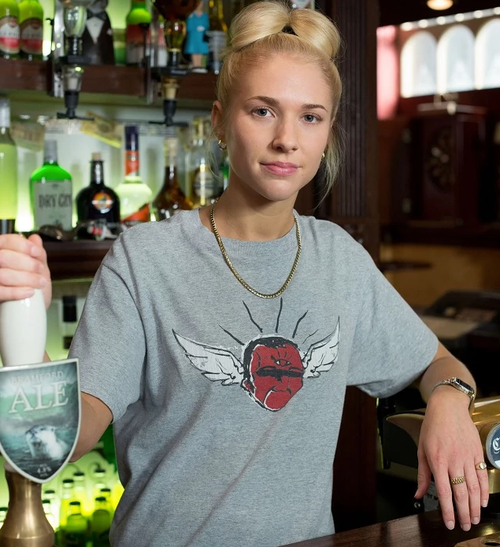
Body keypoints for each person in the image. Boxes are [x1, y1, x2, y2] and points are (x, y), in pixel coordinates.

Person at [0, 2, 489, 546]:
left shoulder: (339, 260)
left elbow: (440, 363)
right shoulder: (146, 258)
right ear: (219, 121)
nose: (287, 139)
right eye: (262, 111)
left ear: (327, 132)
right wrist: (23, 332)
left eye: (310, 116)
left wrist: (448, 400)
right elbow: (65, 439)